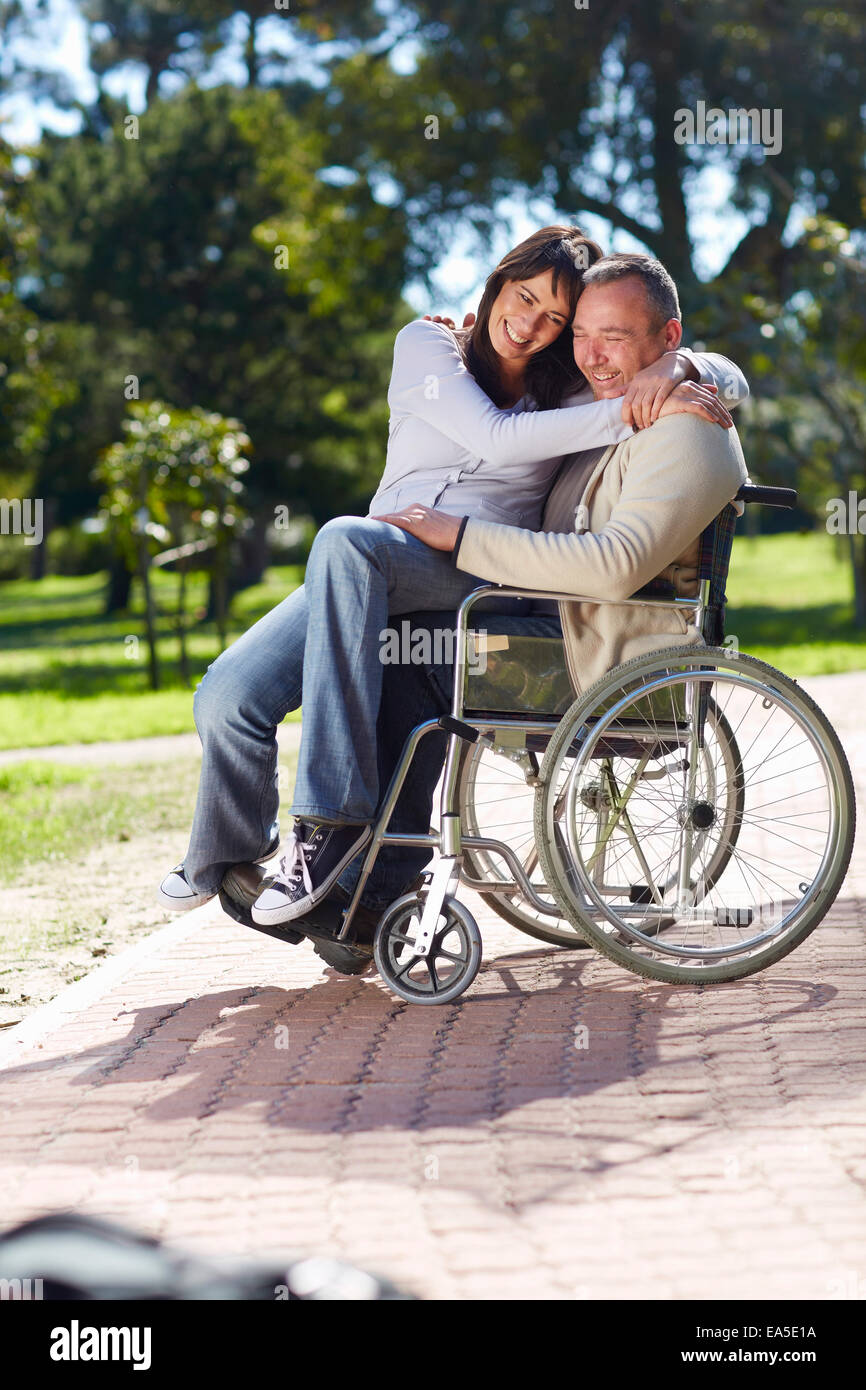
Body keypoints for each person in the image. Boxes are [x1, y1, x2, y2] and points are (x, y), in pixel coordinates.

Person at [157, 229, 744, 951]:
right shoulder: (429, 348)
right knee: (226, 697)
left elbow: (693, 367)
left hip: (470, 570)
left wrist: (685, 367)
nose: (531, 323)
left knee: (344, 541)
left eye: (555, 318)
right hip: (377, 561)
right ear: (497, 283)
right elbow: (494, 438)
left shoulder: (564, 385)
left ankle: (328, 827)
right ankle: (227, 856)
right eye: (524, 297)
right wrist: (632, 404)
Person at [309, 253, 751, 971]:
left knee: (413, 658)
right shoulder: (614, 406)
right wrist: (690, 365)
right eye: (579, 333)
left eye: (613, 335)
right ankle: (361, 884)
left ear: (666, 338)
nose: (591, 355)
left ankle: (362, 880)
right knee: (411, 640)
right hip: (565, 636)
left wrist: (461, 538)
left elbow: (614, 565)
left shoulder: (689, 427)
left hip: (607, 661)